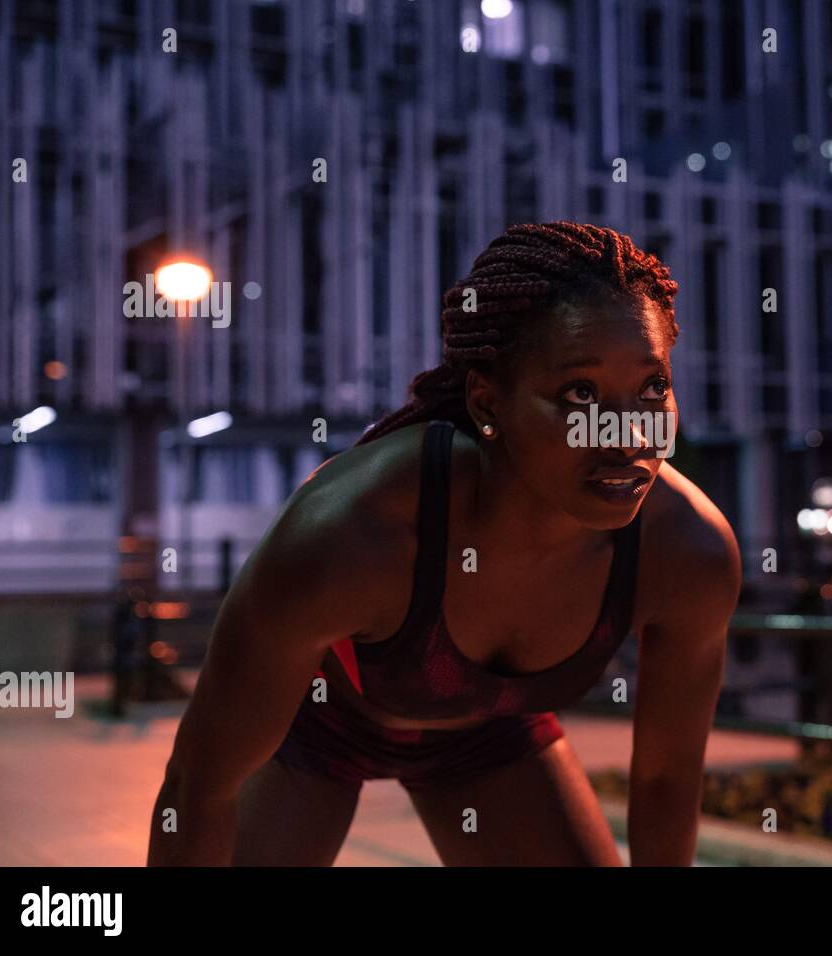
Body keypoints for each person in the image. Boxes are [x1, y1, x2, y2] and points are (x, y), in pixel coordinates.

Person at [147, 222, 741, 866]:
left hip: (485, 734)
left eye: (652, 388)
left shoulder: (688, 551)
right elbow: (197, 792)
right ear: (487, 401)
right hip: (311, 725)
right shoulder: (354, 535)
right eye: (581, 394)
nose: (627, 435)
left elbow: (665, 782)